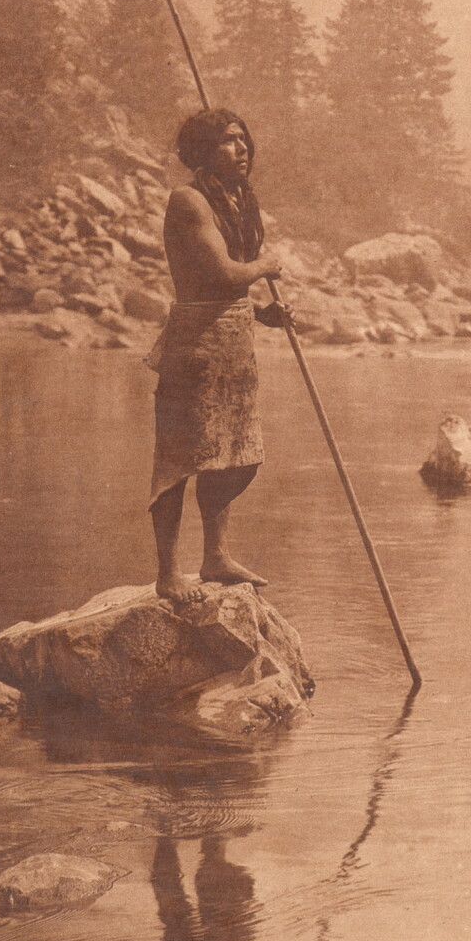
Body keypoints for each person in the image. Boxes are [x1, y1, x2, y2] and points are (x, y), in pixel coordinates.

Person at [147, 107, 289, 605]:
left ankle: (215, 555)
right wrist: (264, 265)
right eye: (228, 141)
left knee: (234, 455)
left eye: (243, 139)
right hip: (194, 344)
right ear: (202, 151)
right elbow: (221, 275)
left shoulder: (238, 199)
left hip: (233, 341)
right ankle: (168, 574)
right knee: (180, 459)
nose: (241, 148)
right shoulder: (187, 200)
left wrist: (263, 315)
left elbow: (232, 293)